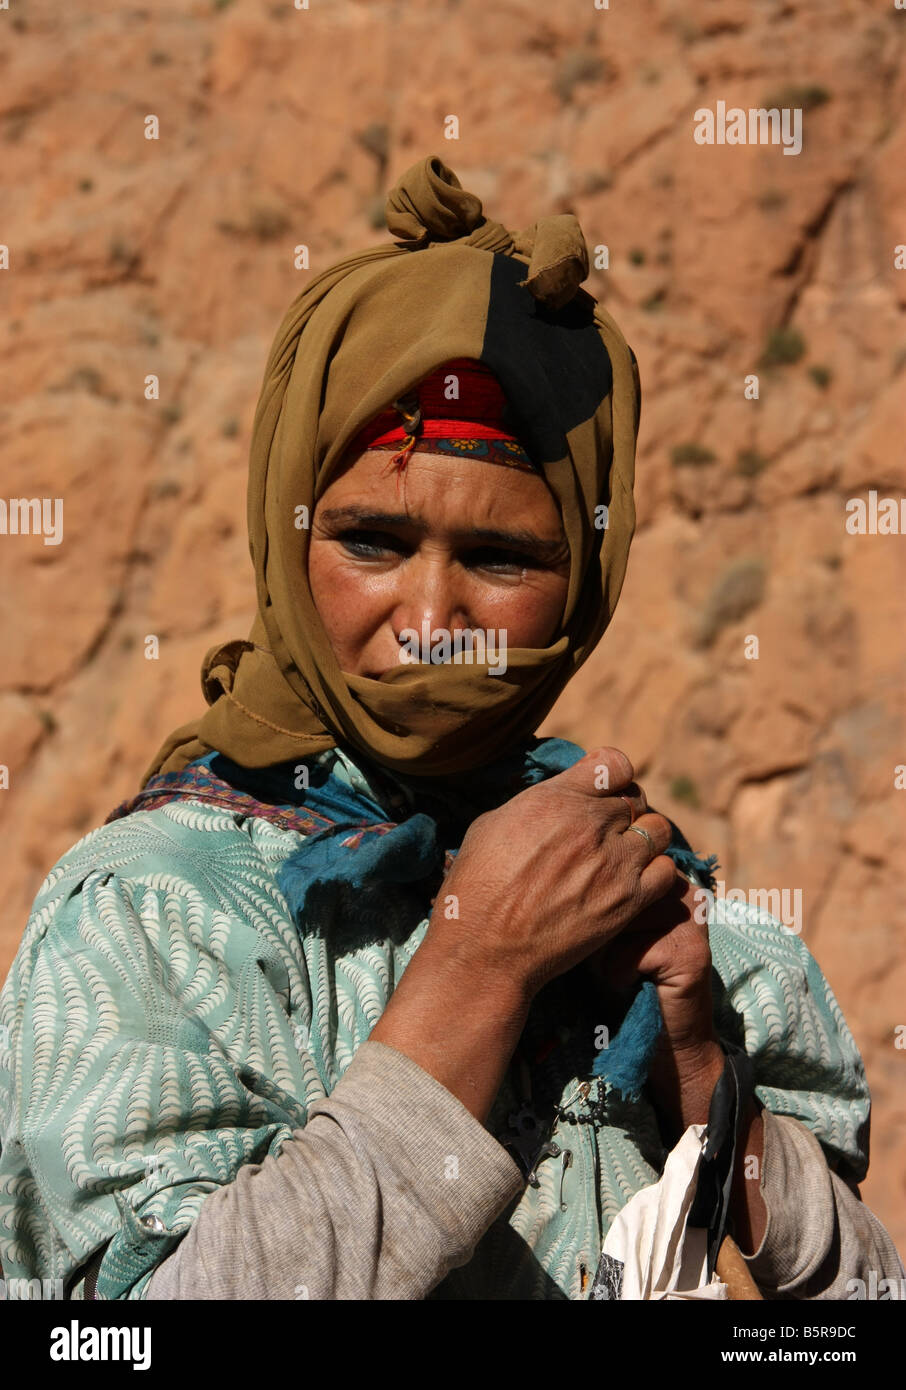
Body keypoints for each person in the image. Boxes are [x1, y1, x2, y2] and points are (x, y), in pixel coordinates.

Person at [0, 155, 901, 1302]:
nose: (433, 623)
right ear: (289, 539)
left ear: (585, 580)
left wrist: (698, 1070)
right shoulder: (151, 915)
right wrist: (481, 965)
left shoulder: (645, 893)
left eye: (501, 558)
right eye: (373, 541)